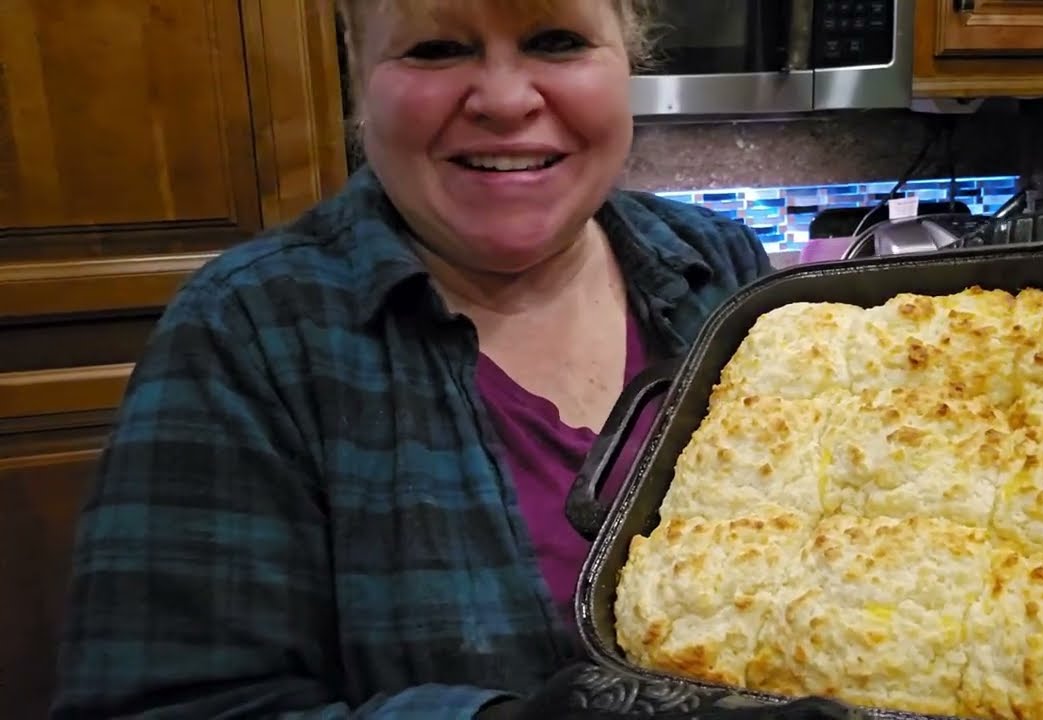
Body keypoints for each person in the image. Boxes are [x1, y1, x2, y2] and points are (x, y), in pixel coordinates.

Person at [51, 1, 854, 718]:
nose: (505, 100)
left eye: (556, 39)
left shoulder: (719, 267)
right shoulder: (252, 332)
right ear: (360, 80)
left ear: (628, 58)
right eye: (436, 48)